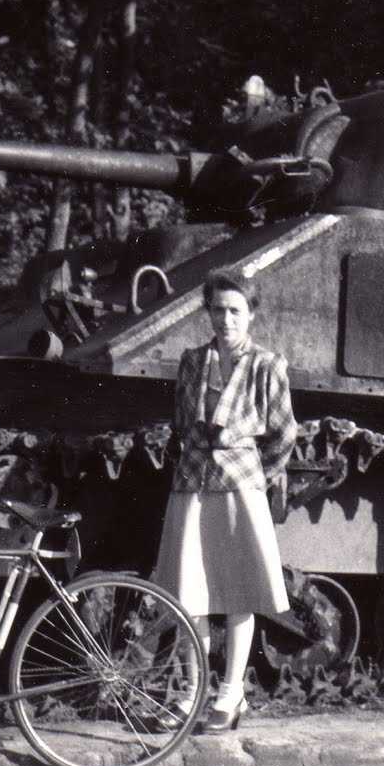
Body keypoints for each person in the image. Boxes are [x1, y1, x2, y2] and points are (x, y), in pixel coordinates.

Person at [152, 269, 296, 733]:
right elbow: (180, 423)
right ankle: (192, 692)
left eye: (235, 310)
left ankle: (231, 694)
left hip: (239, 488)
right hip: (192, 484)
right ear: (208, 313)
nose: (226, 319)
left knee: (239, 592)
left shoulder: (267, 365)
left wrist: (253, 475)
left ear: (251, 314)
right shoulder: (193, 362)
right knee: (188, 594)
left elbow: (283, 434)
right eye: (218, 309)